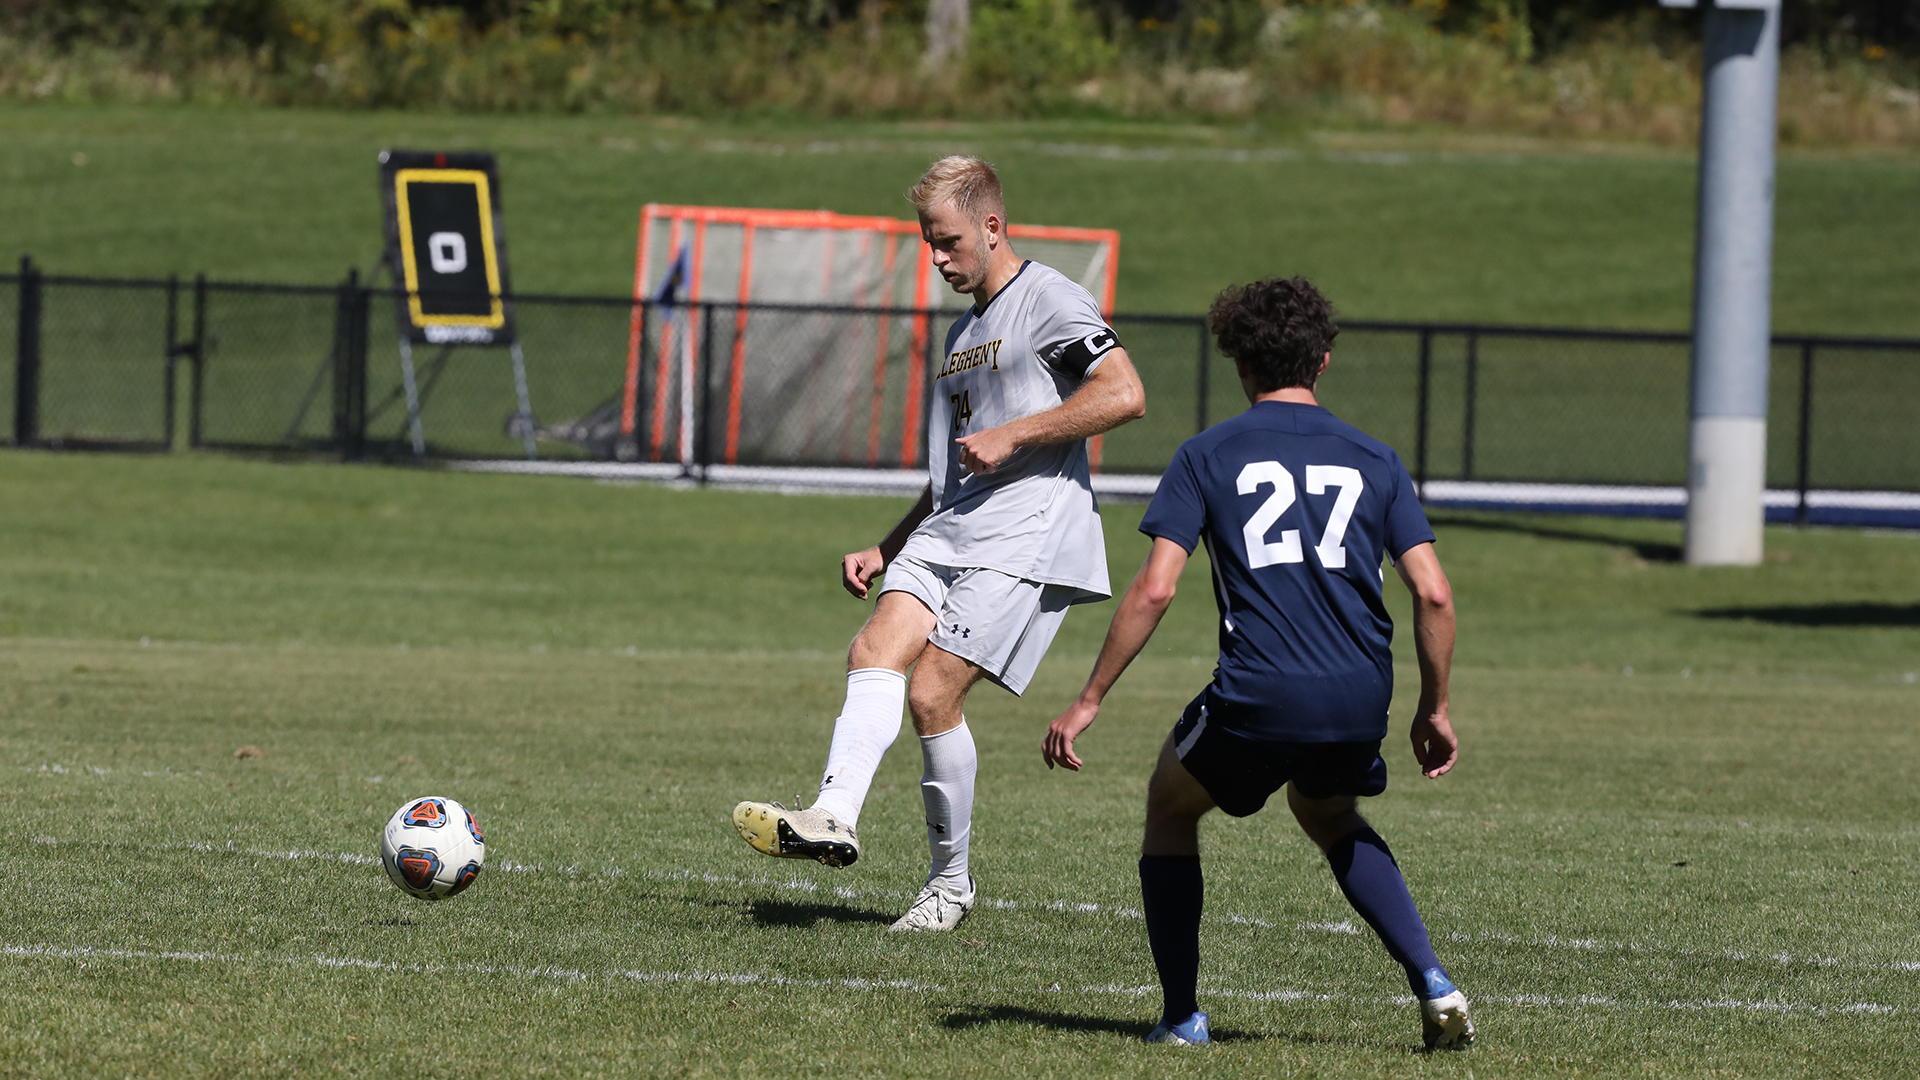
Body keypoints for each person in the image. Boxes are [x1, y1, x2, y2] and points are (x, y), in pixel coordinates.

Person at [1041, 277, 1474, 1050]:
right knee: (1326, 809)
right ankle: (1435, 982)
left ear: (1240, 364)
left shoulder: (1208, 455)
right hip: (1359, 693)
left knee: (1171, 809)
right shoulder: (1377, 460)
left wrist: (1090, 698)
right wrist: (1434, 709)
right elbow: (1434, 595)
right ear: (1325, 361)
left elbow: (1156, 588)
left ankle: (1180, 1019)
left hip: (1262, 688)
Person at [732, 155, 1147, 932]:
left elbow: (1126, 394)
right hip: (948, 528)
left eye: (949, 240)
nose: (938, 257)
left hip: (1022, 531)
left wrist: (1016, 434)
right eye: (929, 242)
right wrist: (889, 545)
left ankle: (950, 888)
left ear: (992, 226)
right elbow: (958, 460)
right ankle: (832, 815)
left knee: (931, 694)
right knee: (872, 651)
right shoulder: (963, 332)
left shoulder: (1051, 299)